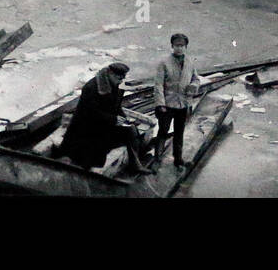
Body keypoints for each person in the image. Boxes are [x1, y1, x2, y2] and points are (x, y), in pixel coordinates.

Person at [57, 62, 148, 172]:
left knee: (131, 131)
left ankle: (135, 165)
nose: (121, 82)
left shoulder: (114, 85)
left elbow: (116, 106)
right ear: (110, 74)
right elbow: (89, 112)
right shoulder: (91, 87)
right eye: (119, 78)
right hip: (86, 128)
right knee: (84, 158)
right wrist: (113, 119)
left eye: (122, 79)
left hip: (104, 123)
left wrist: (123, 119)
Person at [152, 32, 201, 172]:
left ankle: (178, 160)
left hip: (183, 103)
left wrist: (194, 86)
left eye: (182, 46)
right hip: (167, 105)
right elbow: (158, 85)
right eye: (176, 46)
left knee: (179, 132)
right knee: (163, 131)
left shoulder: (190, 62)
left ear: (186, 47)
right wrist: (160, 104)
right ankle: (157, 160)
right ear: (172, 46)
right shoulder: (164, 63)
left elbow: (196, 79)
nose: (179, 48)